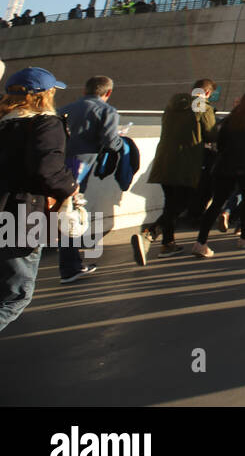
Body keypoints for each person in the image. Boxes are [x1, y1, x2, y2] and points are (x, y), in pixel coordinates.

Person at [0, 68, 78, 332]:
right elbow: (47, 170)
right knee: (15, 297)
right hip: (19, 216)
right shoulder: (45, 123)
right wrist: (70, 185)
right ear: (45, 95)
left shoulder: (3, 121)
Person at [133, 79, 216, 265]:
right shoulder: (202, 107)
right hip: (186, 163)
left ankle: (168, 244)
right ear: (208, 93)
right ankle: (150, 233)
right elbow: (211, 134)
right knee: (181, 204)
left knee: (170, 203)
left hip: (164, 161)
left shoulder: (171, 106)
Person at [192, 91, 245, 255]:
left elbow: (220, 143)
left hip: (225, 167)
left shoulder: (230, 120)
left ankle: (201, 241)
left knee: (217, 202)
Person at [56, 75, 124, 283]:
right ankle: (70, 267)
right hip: (81, 165)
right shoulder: (107, 111)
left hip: (57, 163)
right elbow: (111, 142)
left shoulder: (64, 109)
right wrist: (122, 141)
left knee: (56, 211)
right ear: (108, 93)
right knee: (71, 213)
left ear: (85, 90)